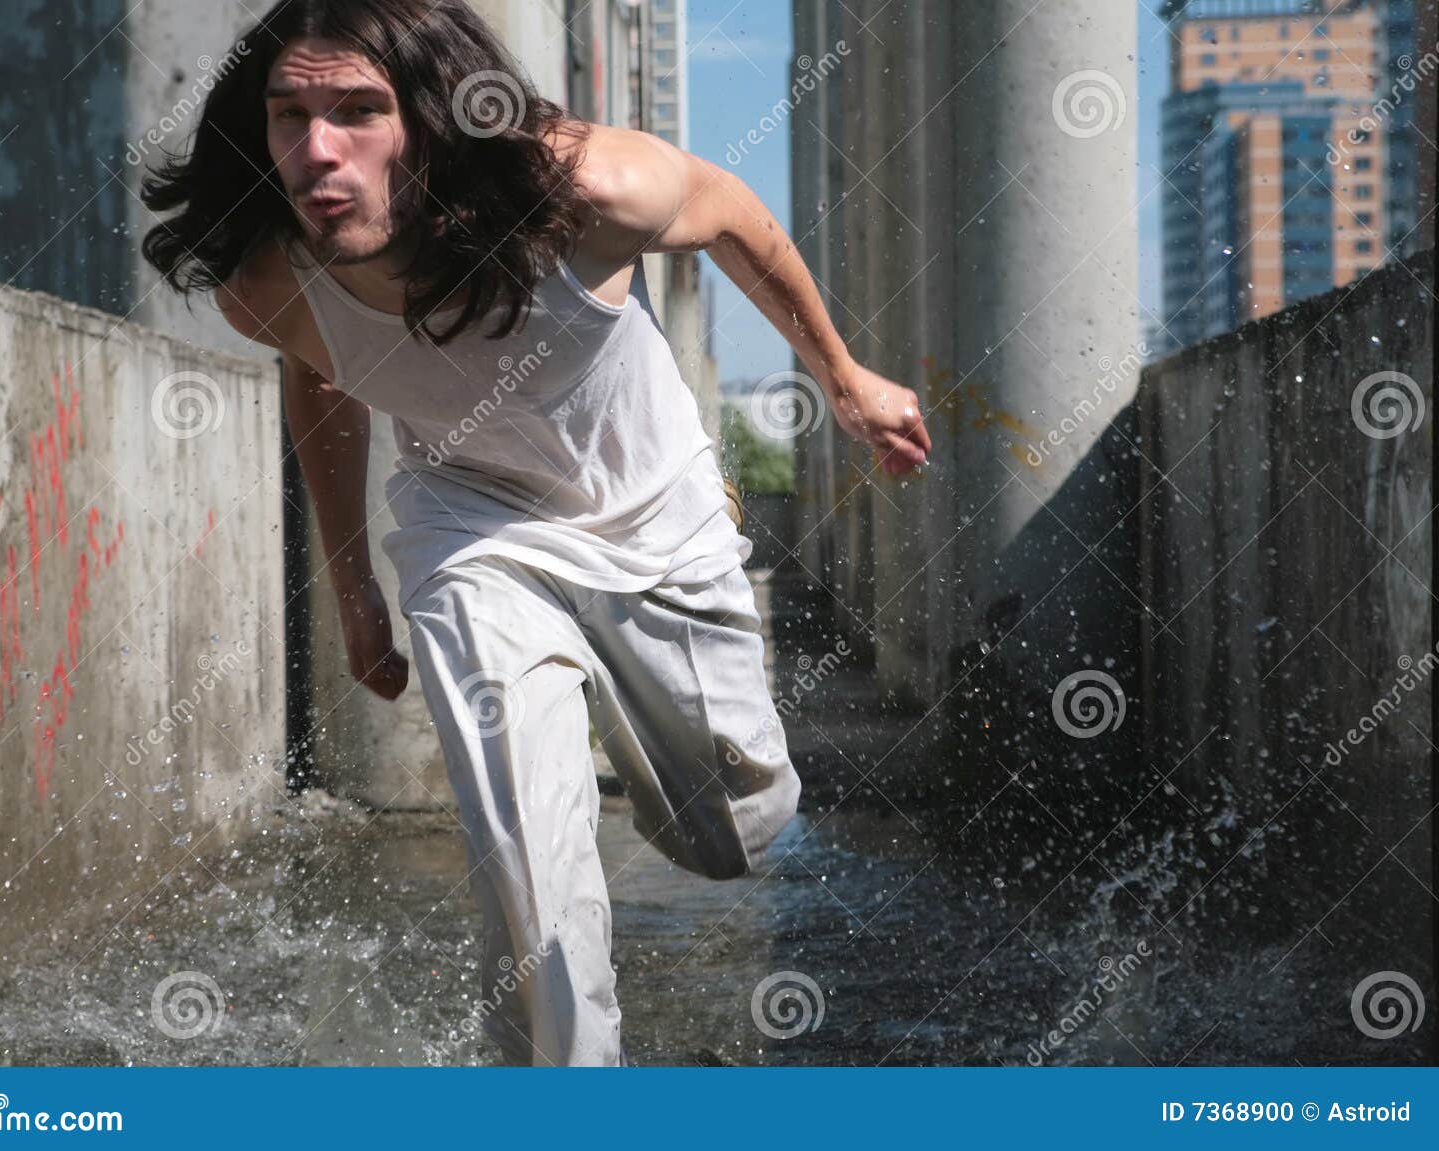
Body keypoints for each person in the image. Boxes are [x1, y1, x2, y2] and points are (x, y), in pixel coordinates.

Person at [140, 0, 931, 1067]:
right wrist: (355, 593)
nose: (319, 150)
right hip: (472, 524)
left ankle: (634, 701)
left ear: (428, 115)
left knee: (730, 831)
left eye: (359, 111)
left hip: (653, 512)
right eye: (291, 115)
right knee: (527, 846)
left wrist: (844, 376)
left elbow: (735, 210)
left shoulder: (585, 193)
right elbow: (325, 386)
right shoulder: (266, 285)